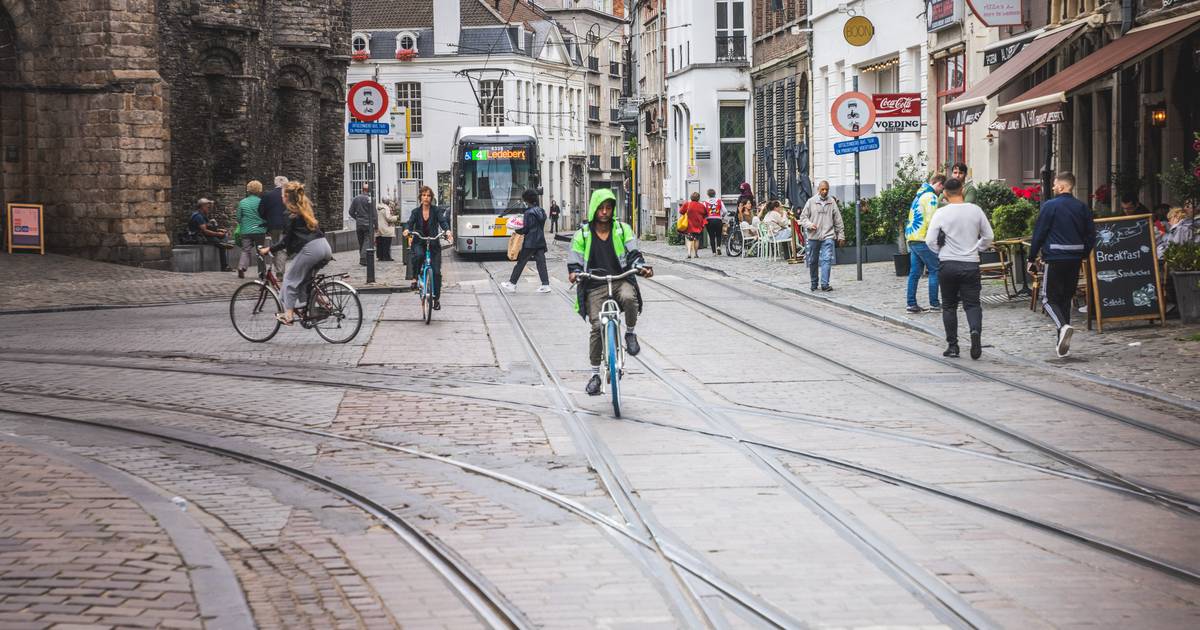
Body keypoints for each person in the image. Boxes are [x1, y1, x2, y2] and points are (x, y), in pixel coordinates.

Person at [567, 188, 653, 396]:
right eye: (601, 208)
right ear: (594, 209)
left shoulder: (622, 230)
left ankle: (630, 334)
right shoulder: (583, 234)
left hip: (620, 279)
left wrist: (641, 266)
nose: (605, 212)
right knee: (596, 327)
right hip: (595, 284)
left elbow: (634, 253)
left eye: (608, 208)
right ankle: (595, 374)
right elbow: (575, 261)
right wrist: (575, 273)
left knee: (630, 298)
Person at [1028, 171, 1095, 358]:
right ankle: (1061, 343)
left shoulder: (1050, 206)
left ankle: (1062, 326)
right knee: (1065, 299)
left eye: (1055, 184)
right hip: (1074, 259)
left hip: (1055, 257)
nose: (1053, 187)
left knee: (1048, 299)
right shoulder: (1082, 207)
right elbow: (1091, 235)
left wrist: (1031, 257)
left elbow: (1039, 233)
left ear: (1064, 186)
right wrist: (1083, 253)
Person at [925, 178, 994, 360]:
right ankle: (974, 332)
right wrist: (977, 248)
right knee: (972, 304)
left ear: (945, 193)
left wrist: (941, 251)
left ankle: (953, 346)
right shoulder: (976, 210)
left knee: (949, 305)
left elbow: (929, 240)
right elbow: (989, 236)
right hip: (971, 263)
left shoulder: (941, 213)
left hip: (948, 264)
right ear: (962, 190)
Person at [257, 182, 332, 326]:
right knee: (305, 281)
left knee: (290, 279)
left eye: (282, 195)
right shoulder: (305, 210)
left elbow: (286, 241)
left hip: (311, 250)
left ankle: (289, 315)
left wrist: (269, 249)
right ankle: (321, 306)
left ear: (286, 197)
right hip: (325, 246)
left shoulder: (290, 214)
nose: (281, 198)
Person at [403, 186, 453, 310]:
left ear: (431, 198)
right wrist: (407, 230)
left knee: (436, 272)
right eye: (424, 195)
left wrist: (447, 231)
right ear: (420, 197)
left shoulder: (436, 211)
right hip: (420, 241)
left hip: (433, 242)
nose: (426, 198)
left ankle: (436, 299)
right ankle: (415, 278)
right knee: (418, 256)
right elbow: (410, 222)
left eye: (428, 195)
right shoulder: (415, 212)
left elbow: (443, 222)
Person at [906, 174, 946, 313]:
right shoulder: (931, 197)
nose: (941, 192)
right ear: (939, 184)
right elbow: (932, 220)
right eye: (942, 189)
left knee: (915, 272)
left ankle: (911, 303)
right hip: (924, 238)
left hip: (912, 237)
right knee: (935, 270)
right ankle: (934, 304)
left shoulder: (918, 196)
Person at [798, 181, 845, 291]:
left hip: (828, 236)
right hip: (814, 237)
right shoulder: (811, 202)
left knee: (826, 259)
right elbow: (803, 218)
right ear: (818, 189)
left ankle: (825, 284)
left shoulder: (831, 202)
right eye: (822, 189)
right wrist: (809, 225)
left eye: (826, 189)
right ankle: (814, 283)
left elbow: (838, 220)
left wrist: (841, 236)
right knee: (813, 260)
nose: (824, 191)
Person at [502, 189, 551, 293]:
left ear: (527, 200)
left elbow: (526, 229)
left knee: (521, 263)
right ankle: (545, 285)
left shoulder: (528, 213)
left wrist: (516, 229)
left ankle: (512, 284)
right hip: (540, 241)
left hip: (530, 242)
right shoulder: (541, 211)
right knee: (541, 263)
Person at [188, 198, 234, 272]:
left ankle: (224, 245)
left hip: (203, 235)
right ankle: (224, 265)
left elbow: (208, 227)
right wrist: (217, 234)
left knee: (222, 237)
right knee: (220, 243)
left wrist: (219, 230)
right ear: (202, 206)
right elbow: (205, 231)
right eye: (208, 207)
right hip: (198, 237)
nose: (209, 208)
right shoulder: (198, 216)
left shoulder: (202, 215)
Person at [235, 181, 267, 279]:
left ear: (248, 190)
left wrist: (244, 224)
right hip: (259, 230)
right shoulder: (262, 202)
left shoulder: (242, 202)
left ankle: (241, 267)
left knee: (245, 250)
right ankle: (261, 272)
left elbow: (238, 218)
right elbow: (265, 216)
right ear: (259, 190)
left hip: (246, 230)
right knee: (260, 251)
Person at [260, 176, 289, 276]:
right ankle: (280, 271)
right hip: (286, 225)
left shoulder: (268, 195)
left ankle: (277, 270)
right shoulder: (288, 195)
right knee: (282, 248)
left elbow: (261, 211)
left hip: (272, 225)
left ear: (275, 183)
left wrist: (268, 219)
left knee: (275, 246)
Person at [348, 184, 375, 266]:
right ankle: (363, 258)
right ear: (368, 190)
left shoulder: (356, 199)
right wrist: (376, 225)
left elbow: (350, 212)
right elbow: (374, 214)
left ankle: (362, 257)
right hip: (368, 224)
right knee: (367, 241)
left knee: (361, 242)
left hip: (359, 224)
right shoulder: (370, 199)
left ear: (362, 189)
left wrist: (357, 218)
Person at [679, 192, 708, 258]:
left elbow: (681, 211)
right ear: (698, 198)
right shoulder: (701, 205)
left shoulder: (687, 204)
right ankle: (695, 254)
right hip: (698, 225)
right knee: (696, 240)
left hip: (689, 224)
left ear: (691, 197)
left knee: (689, 239)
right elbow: (706, 214)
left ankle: (689, 253)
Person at [703, 189, 725, 255]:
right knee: (718, 235)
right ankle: (718, 246)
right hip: (718, 220)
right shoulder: (719, 201)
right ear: (715, 194)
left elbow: (703, 212)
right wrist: (722, 216)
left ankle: (714, 252)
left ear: (708, 194)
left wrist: (705, 216)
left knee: (711, 236)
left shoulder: (705, 202)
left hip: (709, 220)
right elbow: (725, 211)